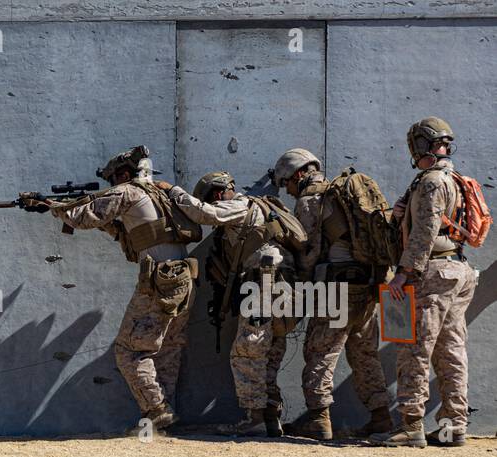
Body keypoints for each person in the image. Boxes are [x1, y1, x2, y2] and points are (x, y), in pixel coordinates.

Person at [24, 146, 200, 434]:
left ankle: (156, 411)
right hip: (183, 279)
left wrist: (51, 205)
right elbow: (128, 232)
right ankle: (162, 419)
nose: (113, 184)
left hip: (159, 281)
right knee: (167, 351)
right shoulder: (160, 195)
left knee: (129, 351)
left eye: (114, 178)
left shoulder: (127, 192)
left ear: (125, 173)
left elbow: (84, 217)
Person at [273, 148, 393, 440]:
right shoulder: (343, 195)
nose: (288, 191)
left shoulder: (311, 198)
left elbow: (309, 250)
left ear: (299, 174)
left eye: (287, 183)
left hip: (336, 287)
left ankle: (318, 419)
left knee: (319, 351)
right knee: (364, 353)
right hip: (368, 284)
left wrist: (297, 281)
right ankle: (381, 417)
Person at [169, 171, 299, 437]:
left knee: (246, 351)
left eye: (213, 199)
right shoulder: (261, 208)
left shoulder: (239, 205)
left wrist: (173, 191)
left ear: (217, 194)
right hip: (282, 284)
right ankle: (271, 417)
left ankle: (255, 418)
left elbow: (205, 213)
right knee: (270, 350)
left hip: (262, 283)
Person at [374, 118, 479, 448]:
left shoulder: (432, 181)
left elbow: (424, 232)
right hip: (458, 270)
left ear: (421, 145)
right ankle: (452, 427)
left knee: (414, 349)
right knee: (451, 352)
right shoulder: (457, 179)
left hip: (431, 272)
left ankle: (411, 425)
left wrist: (405, 272)